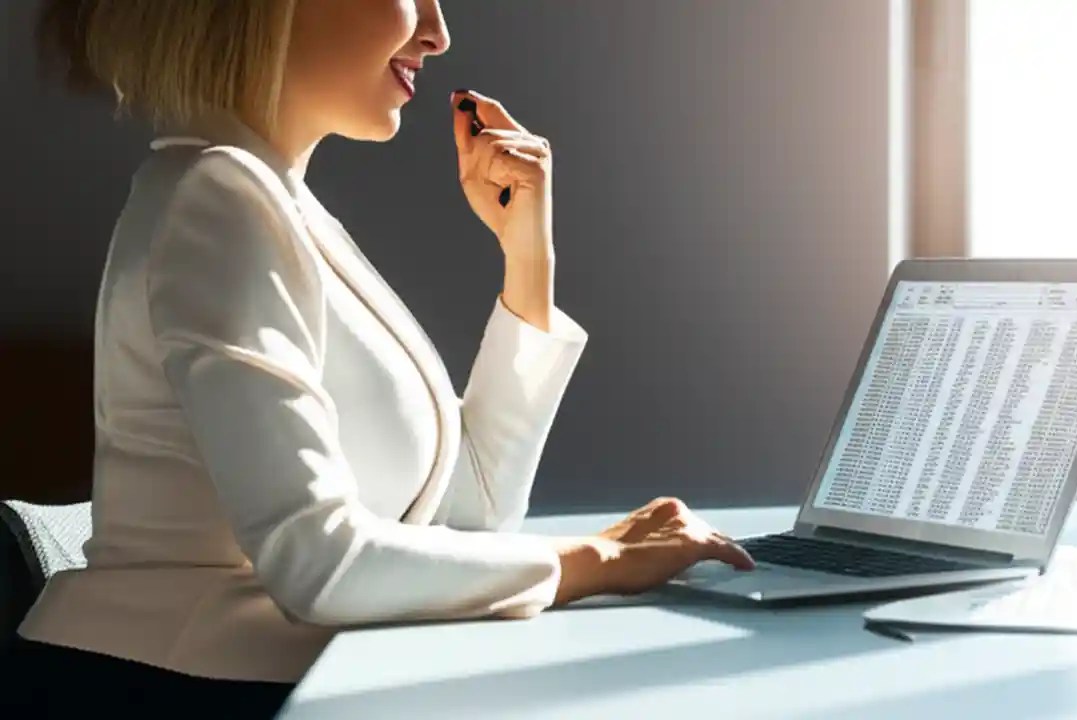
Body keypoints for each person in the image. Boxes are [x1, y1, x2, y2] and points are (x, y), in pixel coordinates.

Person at [12, 1, 754, 716]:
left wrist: (528, 259)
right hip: (179, 688)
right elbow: (318, 563)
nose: (437, 34)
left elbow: (469, 517)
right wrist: (592, 560)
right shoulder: (217, 198)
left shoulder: (274, 199)